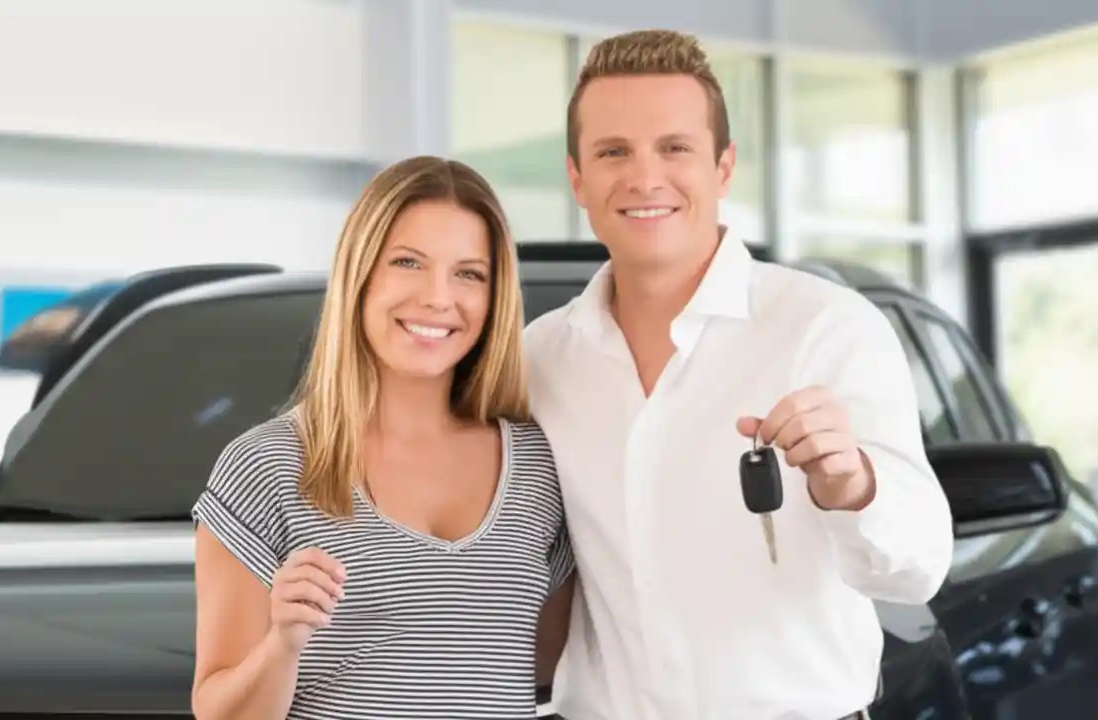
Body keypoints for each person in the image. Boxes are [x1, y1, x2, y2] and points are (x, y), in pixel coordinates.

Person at [523, 30, 954, 720]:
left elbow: (918, 570)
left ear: (723, 168)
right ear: (577, 178)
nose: (644, 177)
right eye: (613, 152)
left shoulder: (828, 328)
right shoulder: (538, 358)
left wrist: (852, 484)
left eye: (674, 147)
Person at [190, 156, 576, 720]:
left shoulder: (538, 465)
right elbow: (218, 712)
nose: (438, 297)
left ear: (495, 297)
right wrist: (283, 645)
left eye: (469, 273)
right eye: (408, 262)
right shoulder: (267, 466)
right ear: (361, 273)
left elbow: (554, 668)